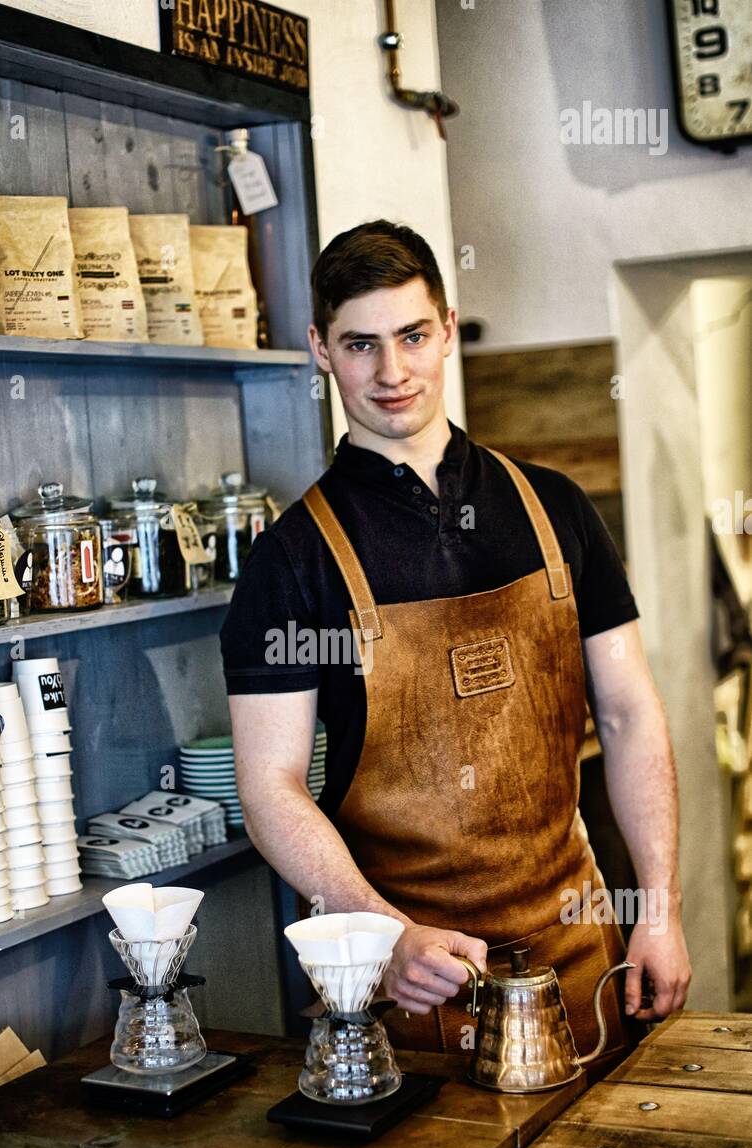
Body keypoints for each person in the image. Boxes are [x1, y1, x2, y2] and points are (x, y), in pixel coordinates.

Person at [219, 219, 691, 1070]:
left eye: (411, 336)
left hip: (581, 957)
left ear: (446, 328)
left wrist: (658, 909)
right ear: (321, 349)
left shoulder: (555, 510)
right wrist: (386, 936)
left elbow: (629, 717)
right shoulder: (292, 560)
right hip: (417, 989)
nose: (391, 372)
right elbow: (270, 786)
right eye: (361, 344)